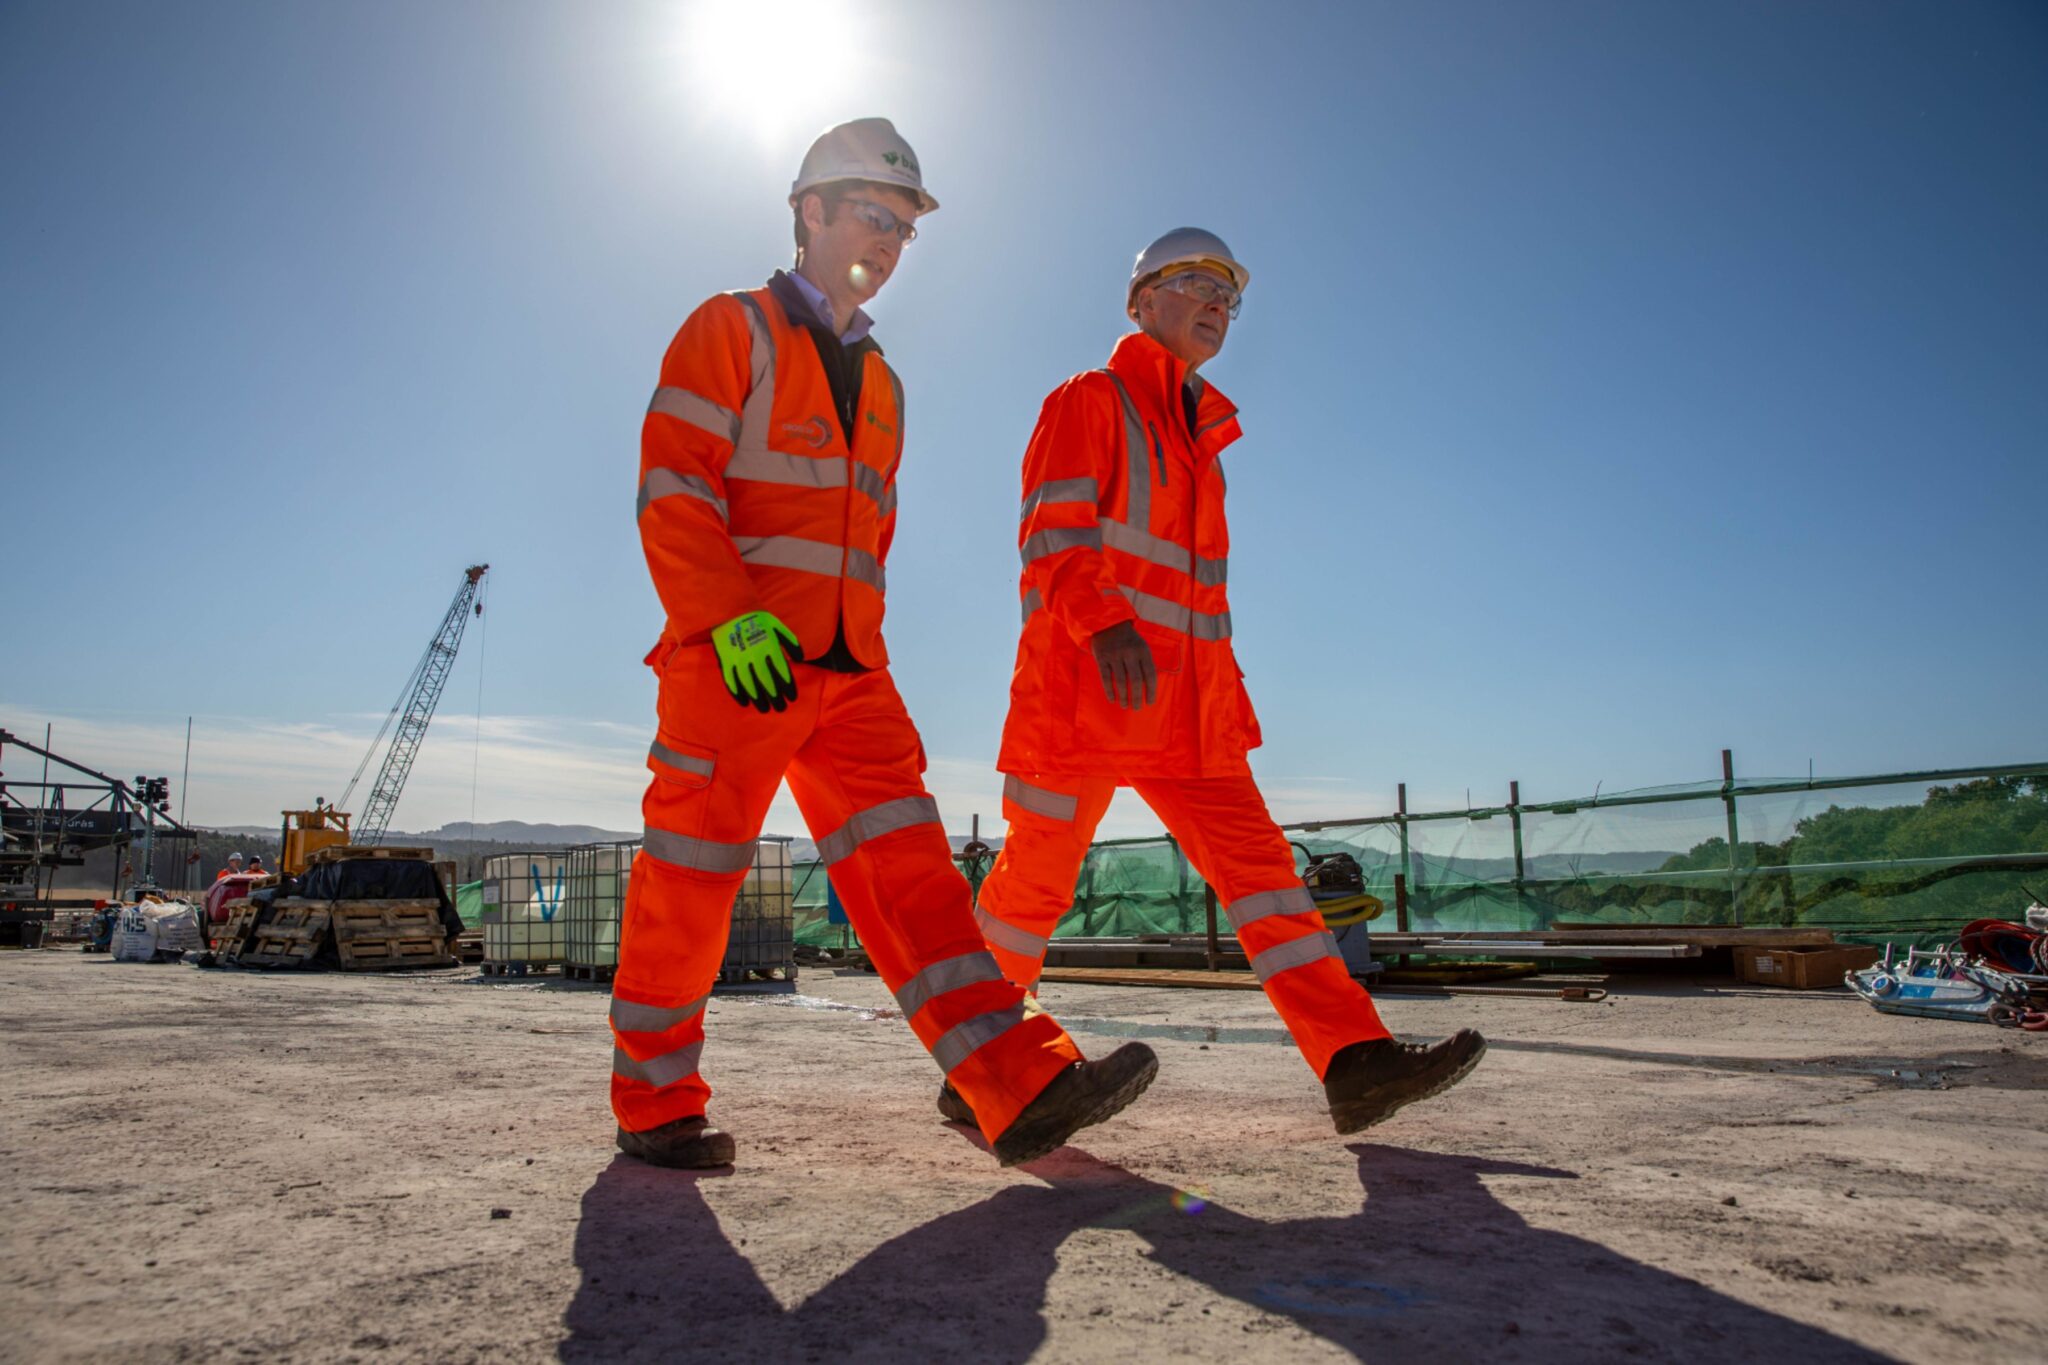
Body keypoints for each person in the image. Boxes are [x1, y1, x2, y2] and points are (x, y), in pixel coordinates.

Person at [616, 118, 1156, 1170]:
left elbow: (866, 541)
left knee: (916, 882)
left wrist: (854, 646)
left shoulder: (885, 383)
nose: (889, 241)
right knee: (692, 882)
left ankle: (1016, 1080)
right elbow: (672, 487)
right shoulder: (728, 329)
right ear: (805, 212)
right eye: (871, 213)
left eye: (904, 226)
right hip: (735, 661)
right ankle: (652, 1105)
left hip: (850, 675)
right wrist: (726, 617)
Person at [964, 229, 1485, 1137]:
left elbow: (1196, 600)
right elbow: (1053, 529)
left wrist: (1222, 691)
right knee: (1032, 886)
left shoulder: (1199, 440)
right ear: (1140, 303)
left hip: (1188, 712)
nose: (1216, 303)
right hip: (1087, 686)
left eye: (1229, 296)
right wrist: (1106, 620)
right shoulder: (1093, 399)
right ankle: (982, 1063)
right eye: (1197, 282)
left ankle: (1353, 1059)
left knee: (1267, 883)